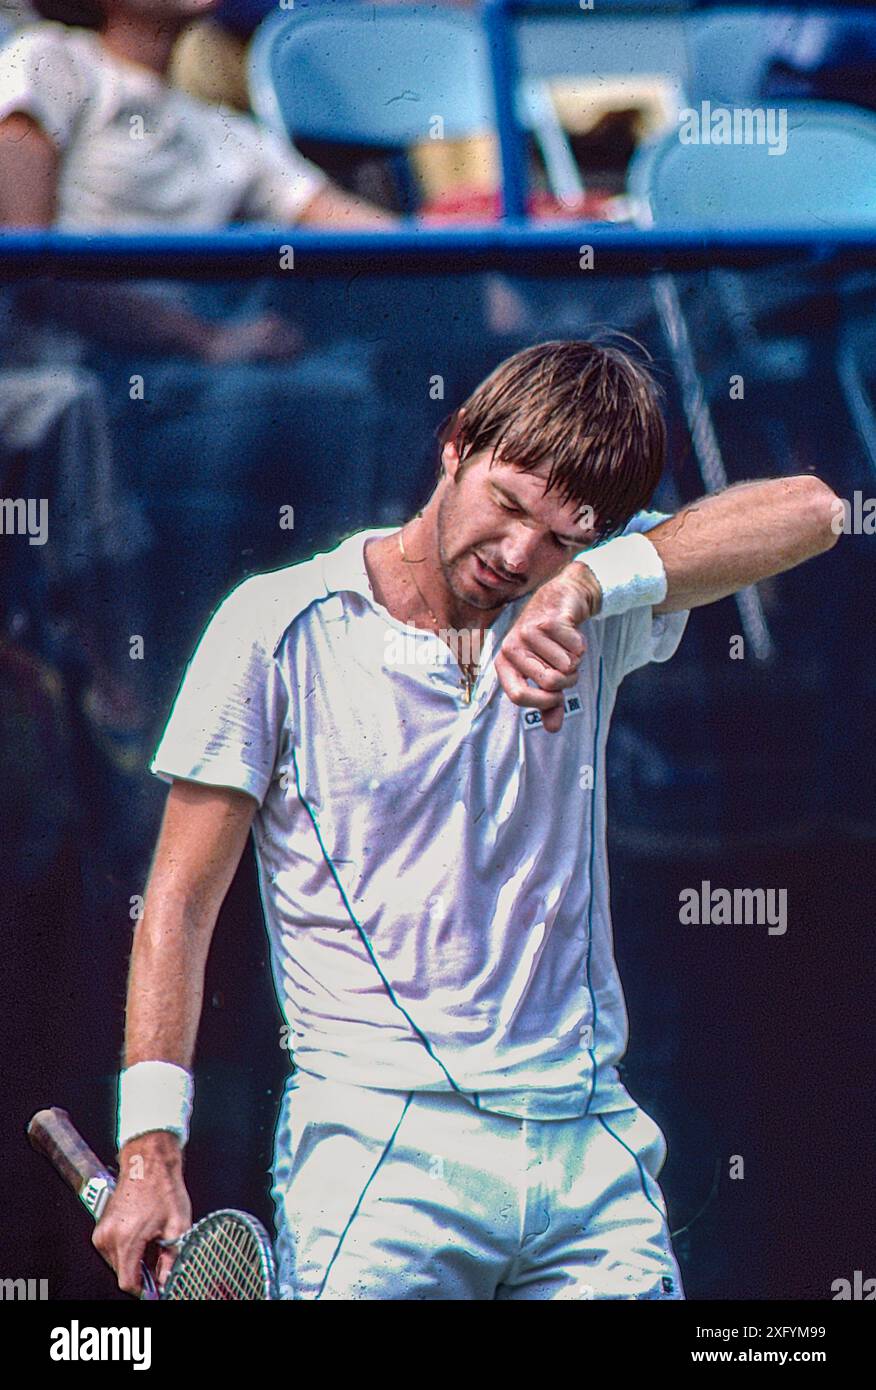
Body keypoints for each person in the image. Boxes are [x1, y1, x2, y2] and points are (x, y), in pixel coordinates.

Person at [92, 338, 839, 1300]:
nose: (520, 554)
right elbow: (179, 903)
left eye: (562, 537)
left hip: (589, 1148)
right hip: (377, 1152)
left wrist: (586, 586)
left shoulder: (589, 599)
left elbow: (814, 511)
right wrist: (150, 1150)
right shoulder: (273, 625)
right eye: (510, 504)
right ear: (455, 445)